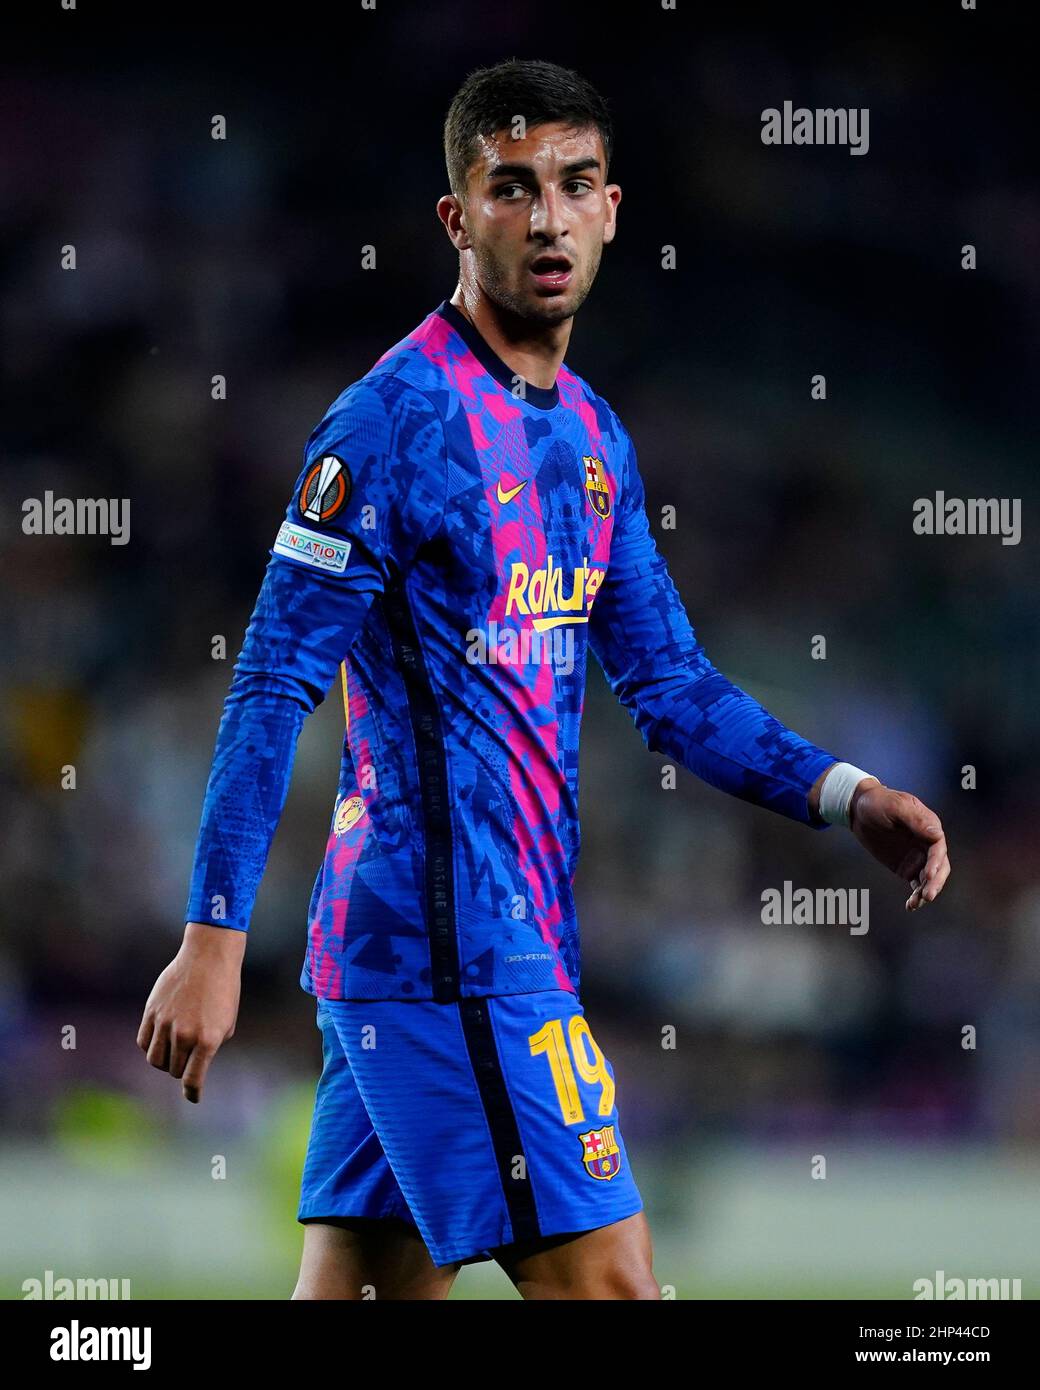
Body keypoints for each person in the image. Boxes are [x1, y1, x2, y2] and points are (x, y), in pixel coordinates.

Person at [137, 59, 950, 1300]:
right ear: (459, 221)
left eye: (574, 186)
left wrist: (843, 795)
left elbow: (668, 683)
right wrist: (212, 937)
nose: (549, 217)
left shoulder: (590, 436)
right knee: (613, 1286)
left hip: (453, 948)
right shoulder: (389, 425)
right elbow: (269, 680)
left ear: (612, 209)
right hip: (452, 950)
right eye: (513, 189)